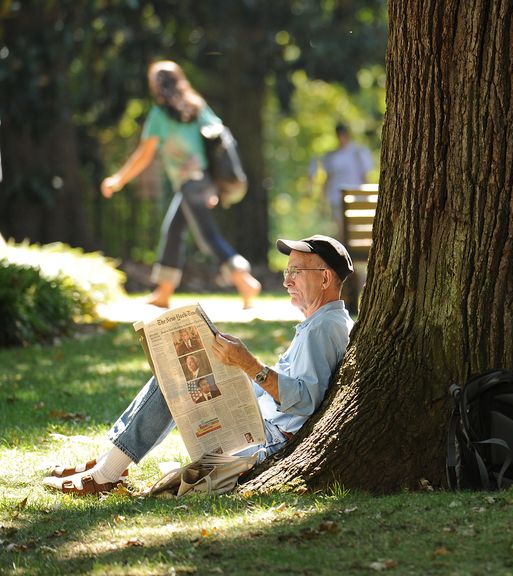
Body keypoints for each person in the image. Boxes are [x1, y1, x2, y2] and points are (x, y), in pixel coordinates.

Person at [44, 235, 355, 495]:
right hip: (261, 424)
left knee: (176, 378)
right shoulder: (321, 323)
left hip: (266, 438)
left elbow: (305, 400)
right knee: (183, 371)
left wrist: (248, 365)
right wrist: (228, 369)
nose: (287, 281)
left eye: (295, 272)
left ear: (325, 277)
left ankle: (107, 472)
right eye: (287, 272)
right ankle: (107, 463)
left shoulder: (324, 328)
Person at [101, 60, 262, 309]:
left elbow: (145, 155)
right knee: (174, 231)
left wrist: (117, 180)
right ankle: (164, 291)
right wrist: (214, 185)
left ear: (157, 86)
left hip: (191, 185)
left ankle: (244, 280)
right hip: (203, 181)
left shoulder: (160, 115)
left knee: (208, 237)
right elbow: (218, 141)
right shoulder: (197, 107)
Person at [307, 123, 374, 241]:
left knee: (356, 229)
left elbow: (365, 177)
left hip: (356, 196)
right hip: (337, 196)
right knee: (341, 228)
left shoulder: (359, 152)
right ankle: (345, 252)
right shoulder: (333, 156)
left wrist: (368, 196)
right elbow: (328, 178)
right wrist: (323, 200)